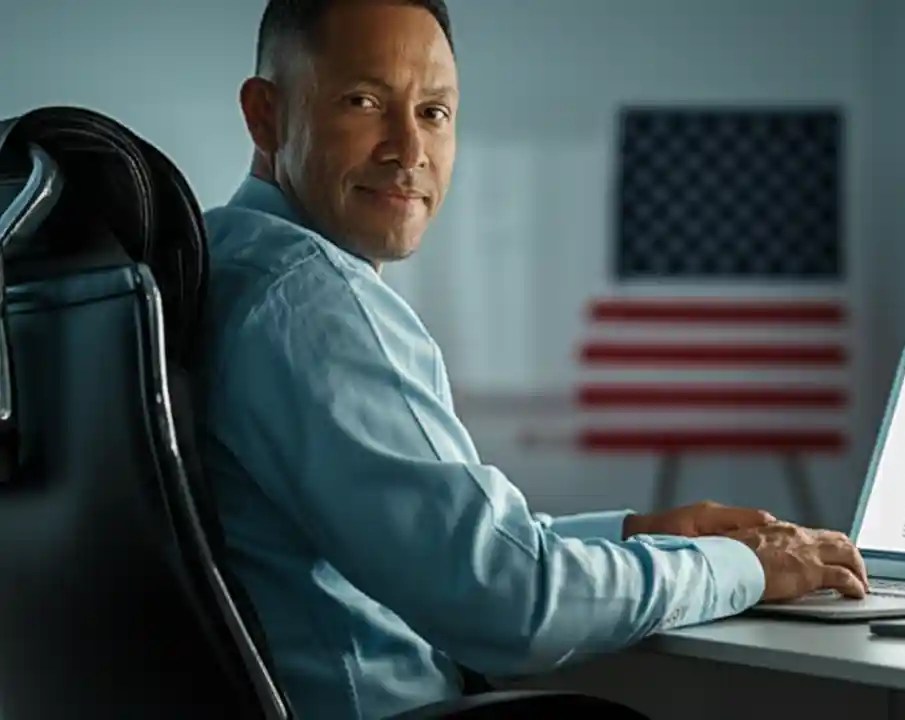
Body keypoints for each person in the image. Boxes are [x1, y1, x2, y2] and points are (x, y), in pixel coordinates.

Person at [196, 0, 869, 717]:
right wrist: (747, 568)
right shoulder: (311, 301)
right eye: (364, 101)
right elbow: (510, 605)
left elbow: (445, 555)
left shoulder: (223, 260)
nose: (408, 149)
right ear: (265, 115)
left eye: (434, 112)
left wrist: (638, 535)